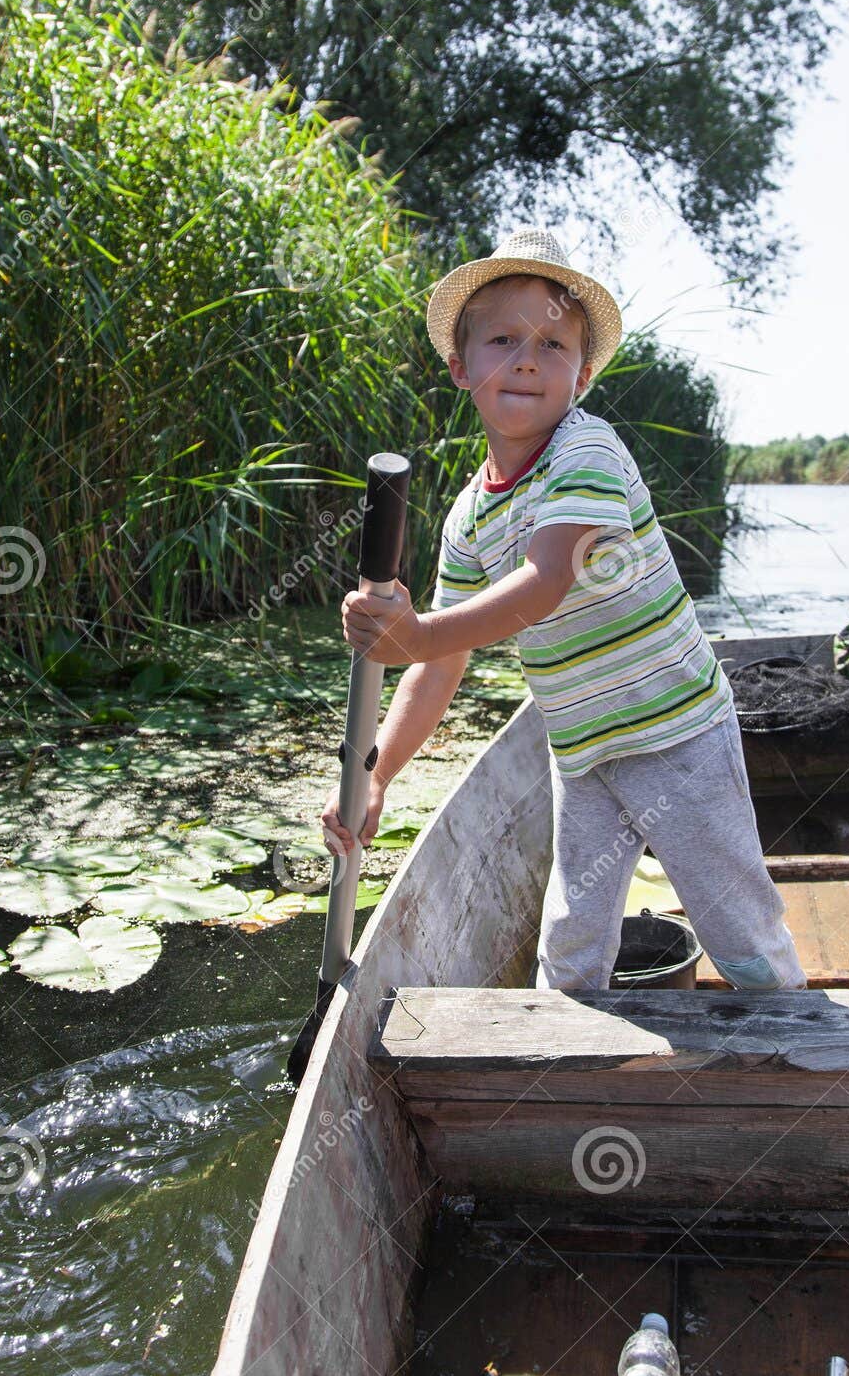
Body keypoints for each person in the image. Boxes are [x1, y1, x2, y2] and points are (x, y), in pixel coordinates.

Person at [321, 227, 806, 993]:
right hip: (581, 751)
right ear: (461, 367)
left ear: (579, 377)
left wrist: (410, 636)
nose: (525, 359)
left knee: (735, 926)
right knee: (571, 946)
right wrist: (377, 770)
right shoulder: (468, 518)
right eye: (503, 340)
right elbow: (442, 663)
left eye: (552, 346)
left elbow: (545, 582)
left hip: (676, 731)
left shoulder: (587, 451)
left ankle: (795, 1046)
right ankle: (561, 1055)